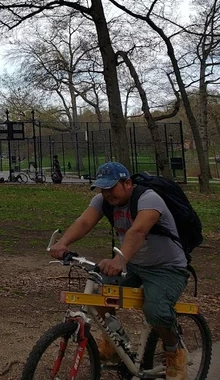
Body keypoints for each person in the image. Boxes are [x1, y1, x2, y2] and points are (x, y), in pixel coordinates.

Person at [48, 162, 189, 379]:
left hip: (167, 268)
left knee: (156, 311)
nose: (107, 194)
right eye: (102, 189)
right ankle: (114, 341)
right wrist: (63, 243)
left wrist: (119, 260)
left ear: (128, 183)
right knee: (97, 291)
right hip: (134, 264)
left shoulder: (148, 199)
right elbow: (85, 221)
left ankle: (174, 353)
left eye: (111, 188)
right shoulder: (103, 201)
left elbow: (138, 230)